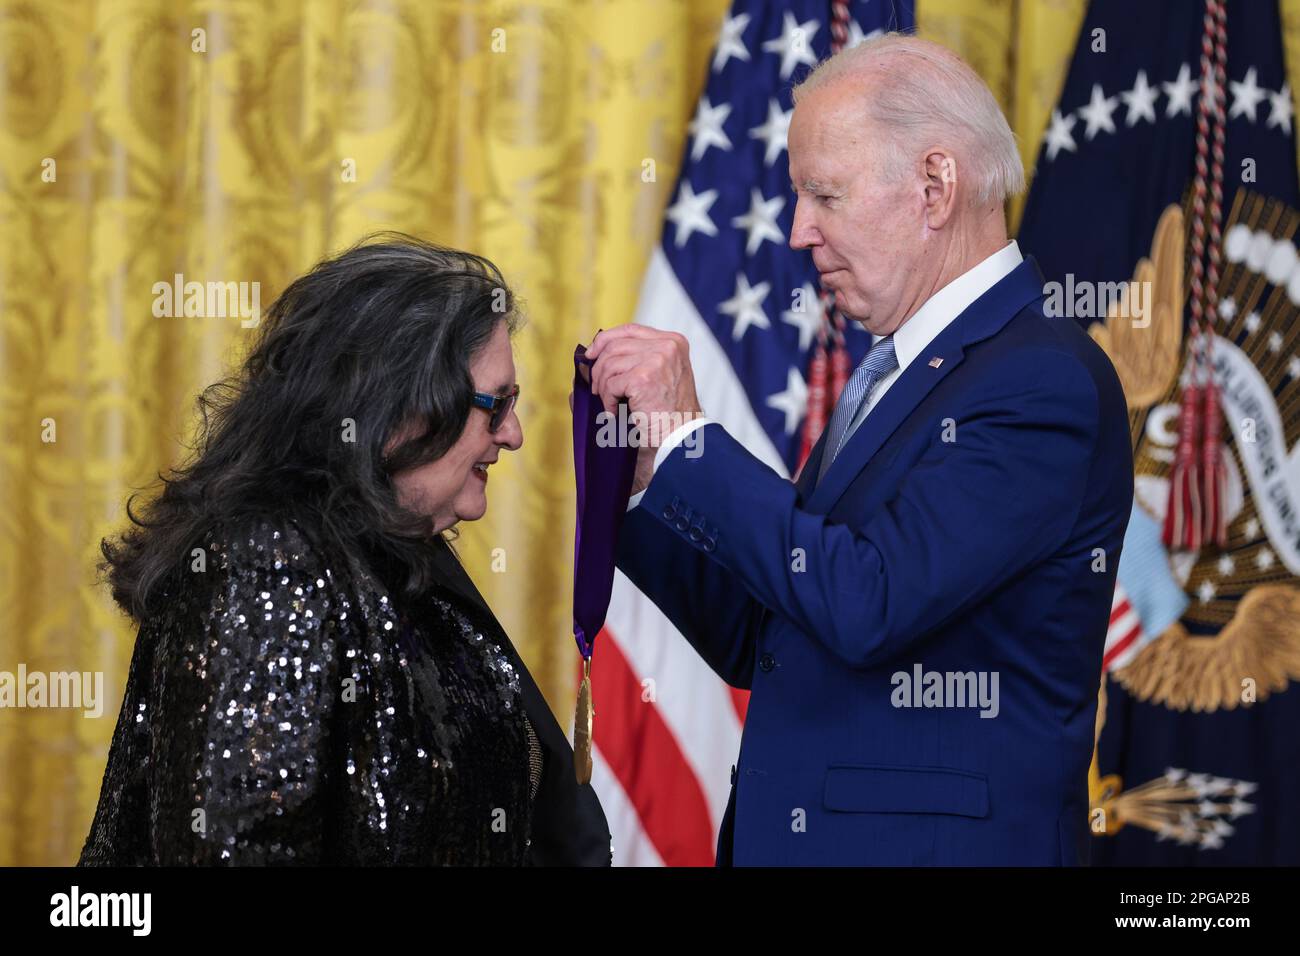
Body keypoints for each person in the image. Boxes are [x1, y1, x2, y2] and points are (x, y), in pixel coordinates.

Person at [587, 34, 1134, 865]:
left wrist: (691, 439)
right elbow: (770, 633)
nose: (798, 230)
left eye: (824, 194)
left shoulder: (1041, 379)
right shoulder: (900, 367)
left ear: (935, 187)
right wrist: (645, 484)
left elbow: (868, 602)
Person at [79, 235, 610, 866]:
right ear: (395, 406)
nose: (513, 435)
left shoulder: (400, 552)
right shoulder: (266, 567)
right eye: (496, 405)